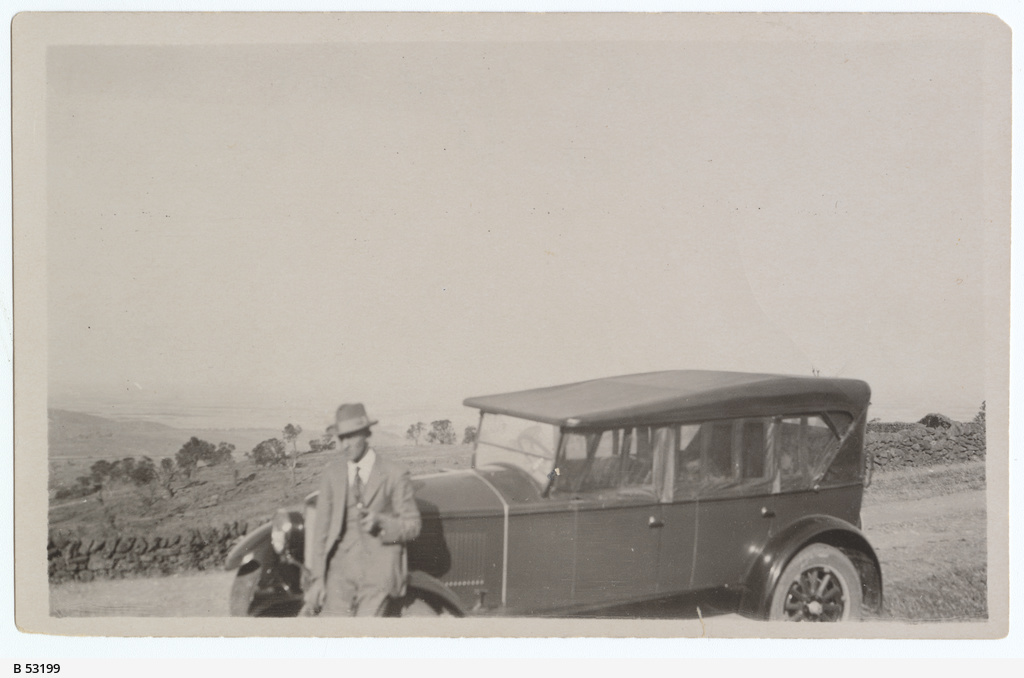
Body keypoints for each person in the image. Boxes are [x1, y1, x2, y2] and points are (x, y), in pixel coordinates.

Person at [304, 403, 421, 616]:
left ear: (366, 434)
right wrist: (318, 579)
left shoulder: (394, 473)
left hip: (379, 570)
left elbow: (413, 526)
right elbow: (321, 531)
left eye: (349, 437)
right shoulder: (332, 474)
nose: (343, 446)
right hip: (340, 572)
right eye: (340, 439)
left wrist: (382, 523)